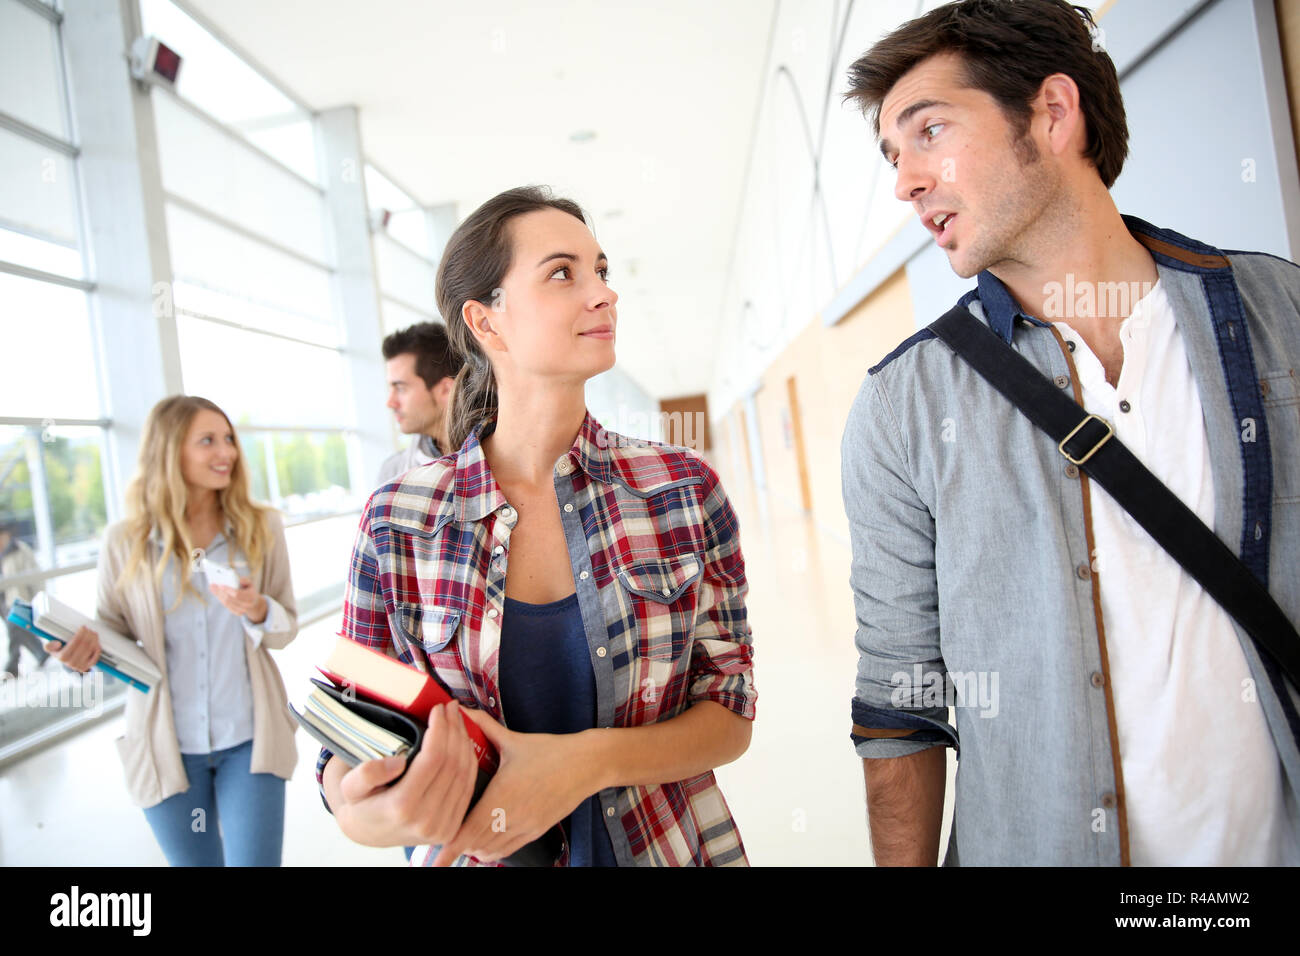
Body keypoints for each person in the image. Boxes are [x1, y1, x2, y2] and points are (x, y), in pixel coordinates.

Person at [840, 0, 1300, 865]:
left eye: (929, 131)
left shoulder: (1281, 312)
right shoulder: (902, 410)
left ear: (1053, 112)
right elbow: (899, 708)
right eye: (893, 156)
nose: (904, 180)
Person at [318, 186, 756, 866]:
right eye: (563, 273)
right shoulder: (399, 521)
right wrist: (362, 815)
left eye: (602, 271)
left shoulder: (680, 491)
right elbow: (346, 734)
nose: (603, 294)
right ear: (485, 322)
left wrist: (582, 765)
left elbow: (728, 711)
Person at [46, 396, 299, 866]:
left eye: (228, 439)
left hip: (250, 739)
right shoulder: (125, 542)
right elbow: (112, 635)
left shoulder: (261, 527)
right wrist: (82, 652)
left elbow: (285, 629)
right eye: (207, 441)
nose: (226, 451)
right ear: (169, 451)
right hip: (165, 747)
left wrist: (258, 607)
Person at [375, 321, 464, 487]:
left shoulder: (502, 458)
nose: (390, 403)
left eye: (400, 388)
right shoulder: (392, 474)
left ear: (445, 390)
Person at [1, 519, 47, 679]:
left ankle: (12, 667)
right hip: (2, 600)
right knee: (18, 630)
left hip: (16, 599)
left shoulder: (20, 550)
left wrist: (38, 597)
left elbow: (35, 576)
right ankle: (40, 652)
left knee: (15, 630)